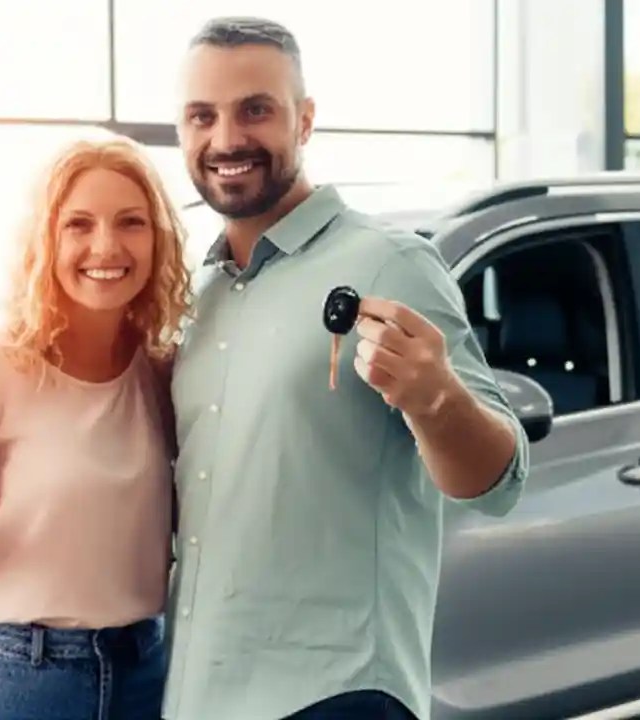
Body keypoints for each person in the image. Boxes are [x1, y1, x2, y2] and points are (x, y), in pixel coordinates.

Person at [162, 17, 530, 720]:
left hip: (335, 693)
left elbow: (499, 484)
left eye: (256, 110)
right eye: (201, 116)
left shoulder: (391, 264)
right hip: (197, 692)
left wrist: (436, 400)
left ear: (304, 120)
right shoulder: (196, 292)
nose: (226, 139)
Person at [0, 136, 191, 720]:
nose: (106, 246)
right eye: (78, 224)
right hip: (19, 677)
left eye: (131, 222)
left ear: (158, 239)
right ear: (46, 240)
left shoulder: (160, 370)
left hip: (142, 668)